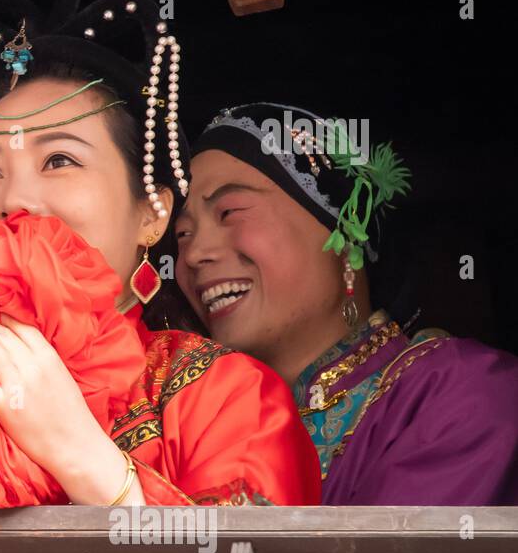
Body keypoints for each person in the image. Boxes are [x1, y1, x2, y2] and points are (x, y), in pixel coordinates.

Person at [0, 0, 320, 505]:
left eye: (58, 158)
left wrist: (80, 455)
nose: (15, 199)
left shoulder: (225, 397)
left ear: (152, 214)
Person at [174, 102, 518, 504]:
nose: (195, 253)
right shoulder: (194, 425)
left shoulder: (461, 390)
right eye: (181, 235)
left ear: (344, 233)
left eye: (230, 211)